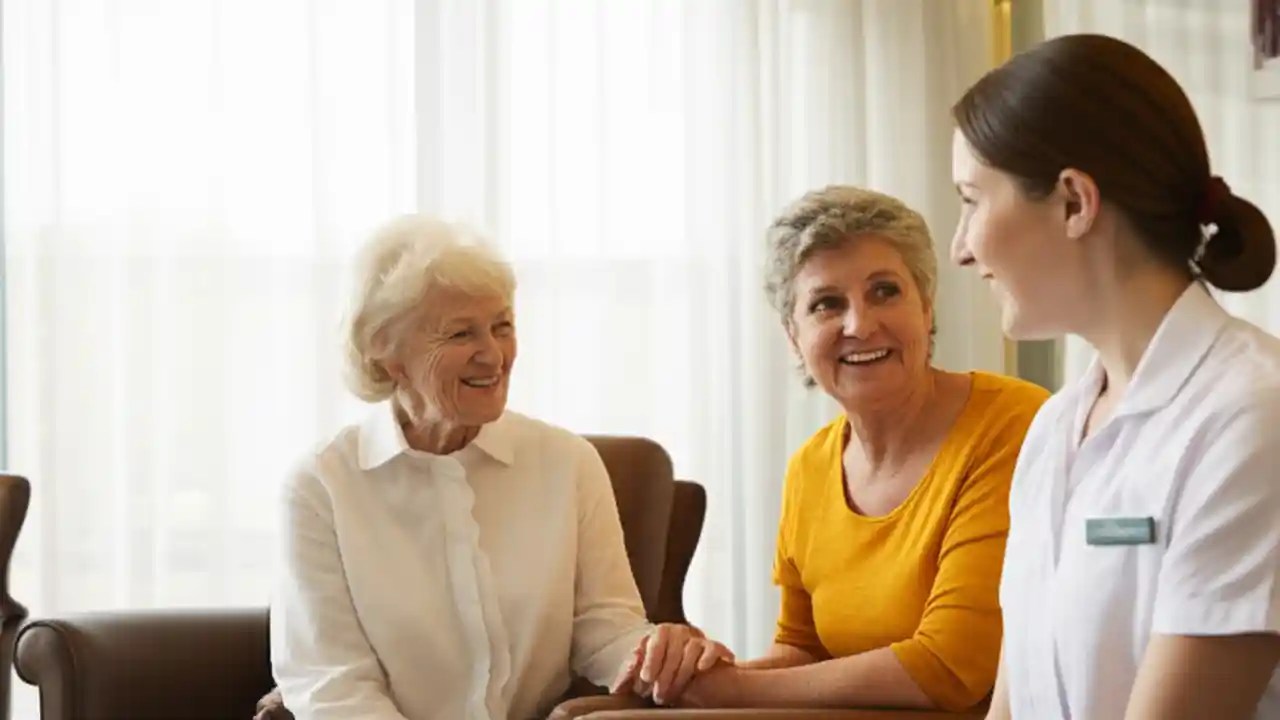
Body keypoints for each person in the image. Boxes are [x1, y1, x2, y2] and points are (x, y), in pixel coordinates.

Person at [263, 216, 732, 720]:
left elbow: (605, 630)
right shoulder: (321, 486)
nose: (493, 355)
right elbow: (331, 683)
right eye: (461, 333)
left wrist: (660, 654)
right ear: (388, 355)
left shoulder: (567, 462)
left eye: (502, 326)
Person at [950, 33, 1280, 720]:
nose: (959, 247)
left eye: (972, 201)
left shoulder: (1253, 416)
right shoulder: (1052, 431)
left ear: (1074, 201)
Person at [665, 186, 1048, 712]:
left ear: (926, 308)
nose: (859, 324)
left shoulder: (1012, 423)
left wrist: (732, 688)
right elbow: (803, 650)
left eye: (885, 292)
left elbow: (952, 667)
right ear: (793, 336)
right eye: (826, 304)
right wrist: (692, 675)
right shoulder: (810, 466)